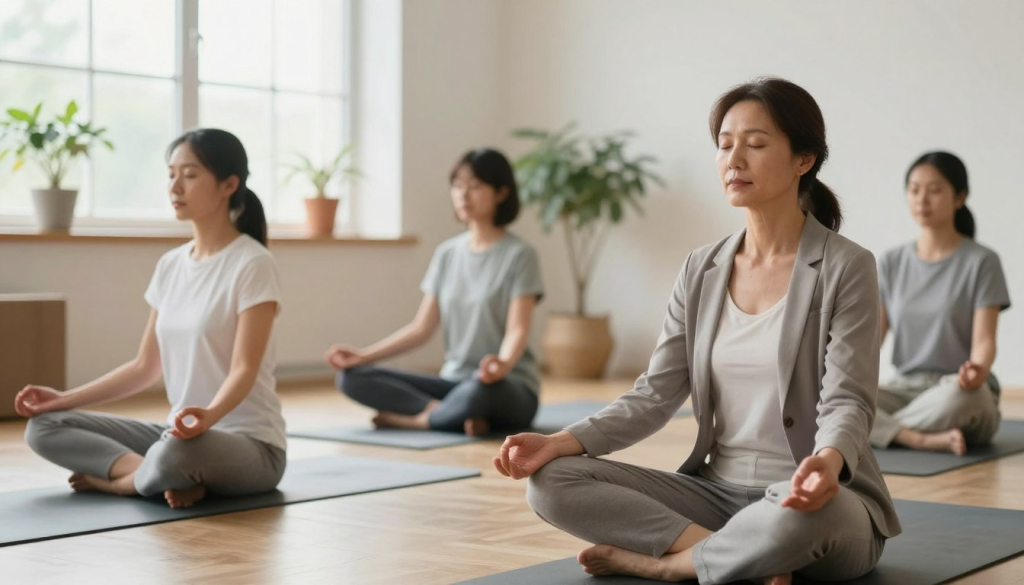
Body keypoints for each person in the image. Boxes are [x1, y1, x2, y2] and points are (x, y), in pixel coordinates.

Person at [493, 78, 901, 585]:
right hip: (714, 495)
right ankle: (737, 555)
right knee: (551, 482)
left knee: (805, 519)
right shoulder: (700, 268)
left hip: (811, 498)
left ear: (804, 160)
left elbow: (849, 398)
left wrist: (828, 460)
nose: (734, 160)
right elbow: (655, 394)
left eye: (755, 144)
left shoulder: (847, 266)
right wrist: (562, 441)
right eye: (725, 145)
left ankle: (669, 565)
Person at [16, 128, 286, 509]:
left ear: (229, 185)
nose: (175, 187)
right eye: (171, 174)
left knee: (176, 452)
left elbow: (244, 368)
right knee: (45, 426)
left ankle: (124, 483)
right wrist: (63, 399)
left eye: (190, 175)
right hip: (180, 434)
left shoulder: (253, 263)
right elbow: (144, 367)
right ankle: (161, 476)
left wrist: (209, 416)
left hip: (250, 445)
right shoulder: (170, 265)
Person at [327, 148, 544, 437]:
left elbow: (517, 329)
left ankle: (418, 420)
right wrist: (363, 356)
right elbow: (421, 329)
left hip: (505, 385)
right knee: (350, 378)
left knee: (479, 392)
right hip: (453, 383)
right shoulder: (447, 254)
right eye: (457, 185)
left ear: (502, 193)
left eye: (475, 186)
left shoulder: (520, 255)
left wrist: (502, 364)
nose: (463, 195)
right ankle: (449, 413)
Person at [871, 151, 1011, 455]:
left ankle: (875, 431)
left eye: (934, 190)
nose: (922, 199)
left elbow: (985, 341)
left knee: (967, 399)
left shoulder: (982, 261)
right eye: (914, 190)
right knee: (829, 399)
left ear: (960, 197)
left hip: (958, 389)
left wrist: (977, 370)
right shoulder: (892, 262)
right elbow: (870, 340)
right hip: (904, 388)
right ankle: (916, 438)